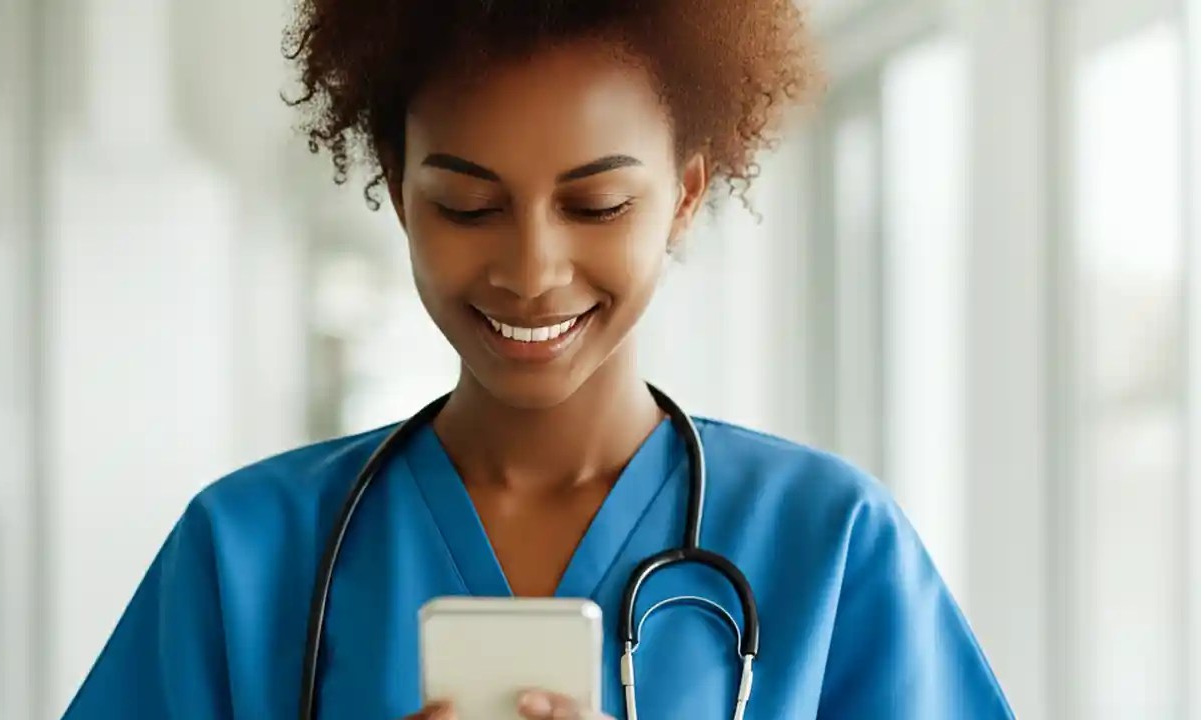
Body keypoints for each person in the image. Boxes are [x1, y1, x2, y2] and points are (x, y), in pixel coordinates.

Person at [61, 1, 1015, 718]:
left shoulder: (830, 544)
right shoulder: (245, 553)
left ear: (684, 197)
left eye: (596, 206)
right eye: (466, 207)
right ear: (397, 192)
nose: (529, 271)